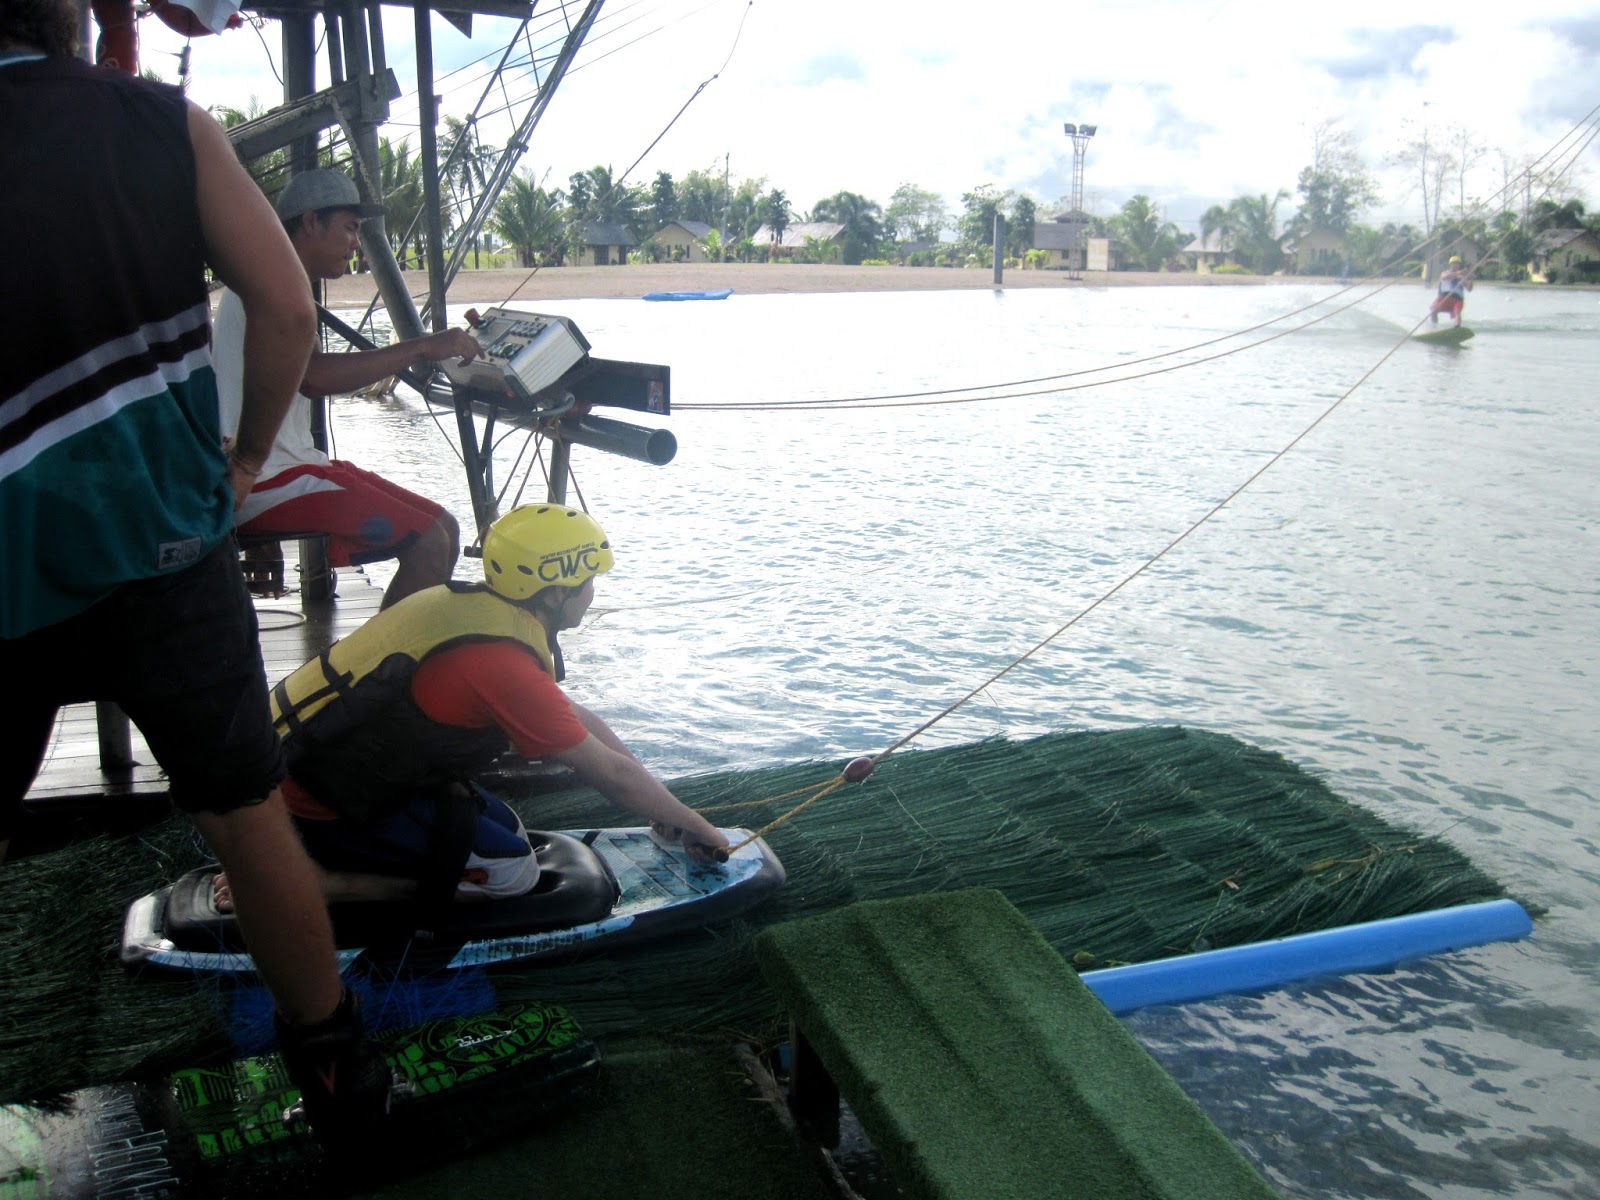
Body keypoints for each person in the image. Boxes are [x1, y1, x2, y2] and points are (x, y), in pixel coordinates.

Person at [0, 2, 387, 1147]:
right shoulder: (163, 124)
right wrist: (250, 455)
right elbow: (281, 303)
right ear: (69, 20)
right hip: (165, 542)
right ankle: (336, 1073)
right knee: (244, 812)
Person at [214, 503, 728, 913]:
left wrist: (667, 808)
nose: (593, 595)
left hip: (317, 771)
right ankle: (326, 883)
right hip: (322, 800)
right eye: (588, 583)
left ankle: (314, 854)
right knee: (511, 875)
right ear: (554, 591)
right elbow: (610, 774)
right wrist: (699, 826)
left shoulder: (469, 606)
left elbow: (573, 721)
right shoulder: (499, 661)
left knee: (509, 832)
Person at [213, 168, 484, 609]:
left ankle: (389, 664)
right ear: (310, 222)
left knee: (446, 528)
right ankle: (384, 674)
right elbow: (314, 377)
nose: (355, 243)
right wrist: (422, 347)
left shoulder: (266, 277)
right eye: (350, 228)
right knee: (431, 540)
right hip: (266, 480)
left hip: (282, 469)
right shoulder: (271, 283)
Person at [1430, 254, 1472, 327]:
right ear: (1451, 265)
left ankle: (1457, 327)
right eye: (1454, 264)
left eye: (1457, 264)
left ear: (1459, 265)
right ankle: (1434, 327)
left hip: (1457, 299)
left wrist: (1469, 279)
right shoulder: (1445, 272)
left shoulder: (1463, 276)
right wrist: (1457, 274)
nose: (1455, 265)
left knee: (1457, 312)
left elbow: (1469, 289)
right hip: (1444, 297)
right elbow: (1444, 277)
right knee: (1433, 311)